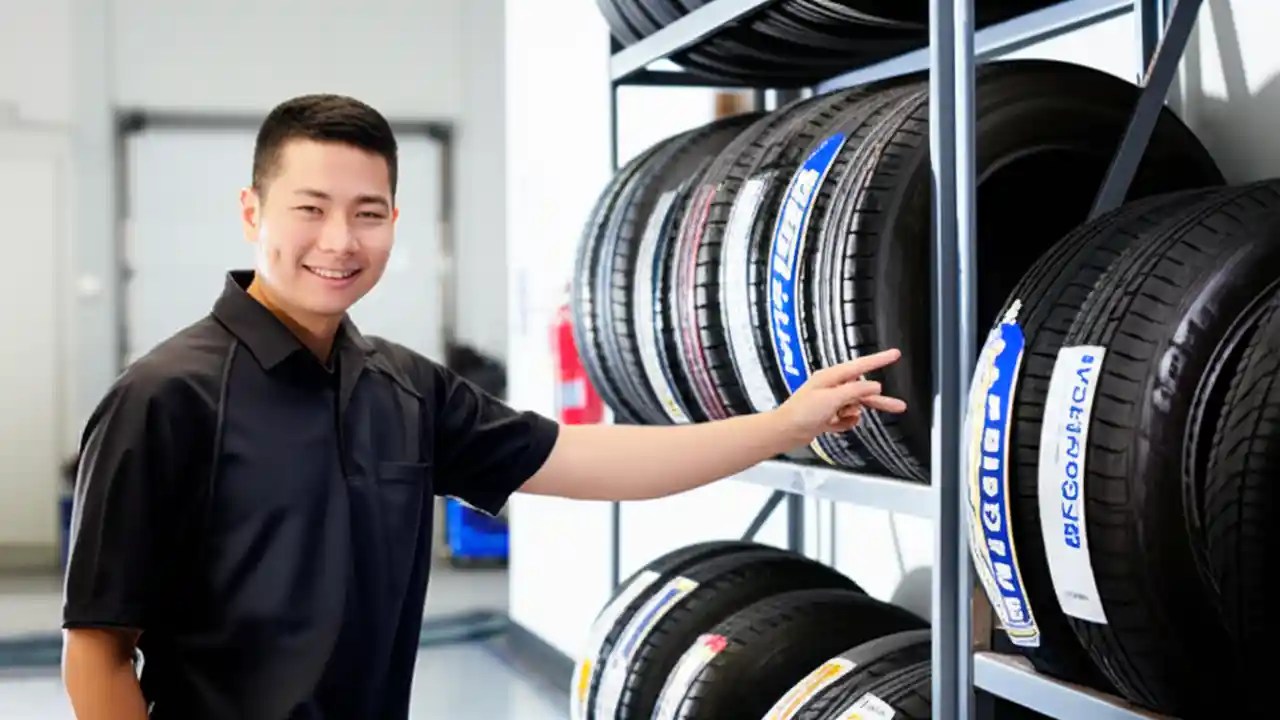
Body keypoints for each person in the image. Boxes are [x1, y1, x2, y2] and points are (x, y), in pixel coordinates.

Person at [59, 93, 907, 720]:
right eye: (308, 210)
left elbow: (591, 460)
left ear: (395, 219)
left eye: (367, 213)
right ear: (253, 213)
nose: (338, 242)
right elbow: (97, 651)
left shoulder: (401, 387)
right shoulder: (165, 396)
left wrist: (784, 424)